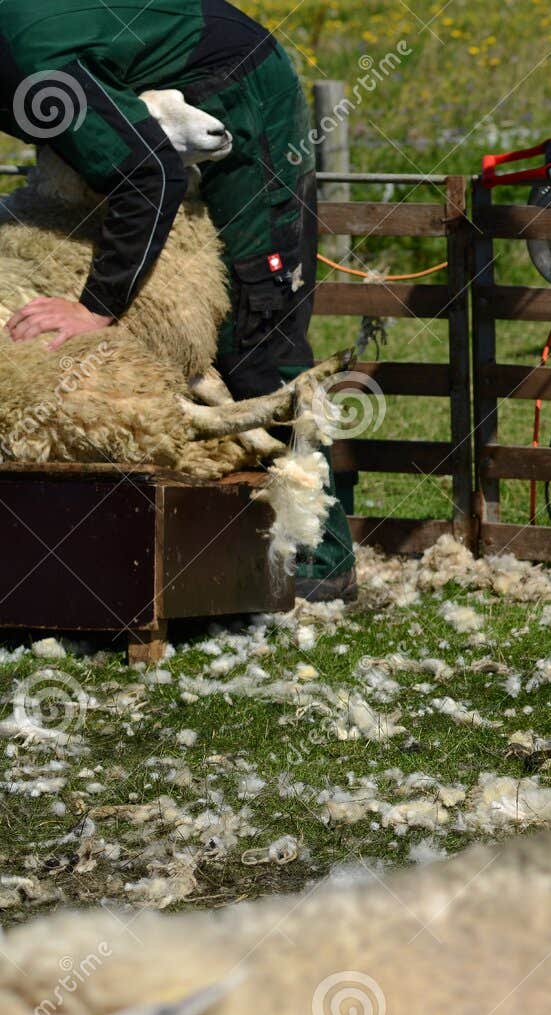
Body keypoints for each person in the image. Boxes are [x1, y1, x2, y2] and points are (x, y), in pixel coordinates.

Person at [0, 0, 356, 601]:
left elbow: (149, 171)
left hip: (234, 93)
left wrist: (97, 306)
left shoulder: (26, 58)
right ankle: (222, 552)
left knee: (255, 331)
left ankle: (321, 556)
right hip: (154, 109)